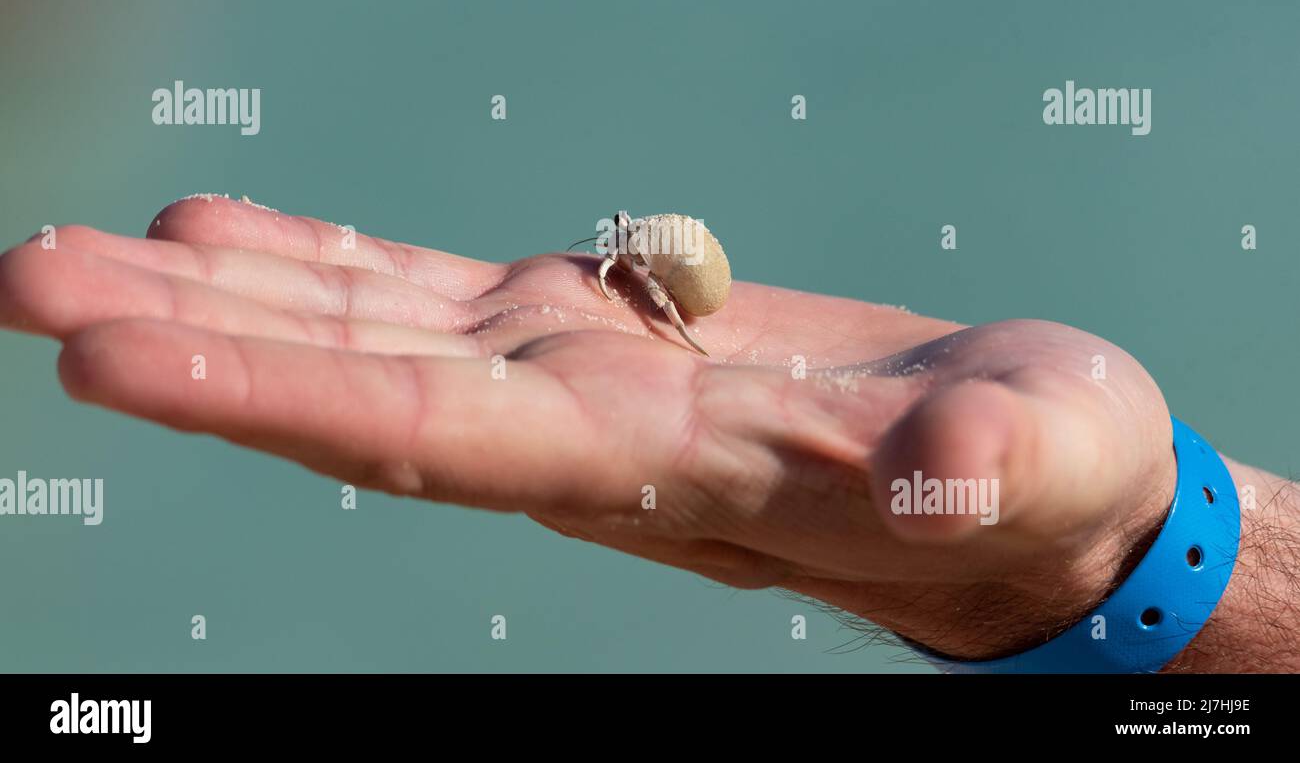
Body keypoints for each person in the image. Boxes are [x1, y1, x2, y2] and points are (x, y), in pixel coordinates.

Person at [0, 196, 1295, 672]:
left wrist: (1115, 558)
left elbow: (647, 275)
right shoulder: (636, 261)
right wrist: (1139, 560)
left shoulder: (643, 266)